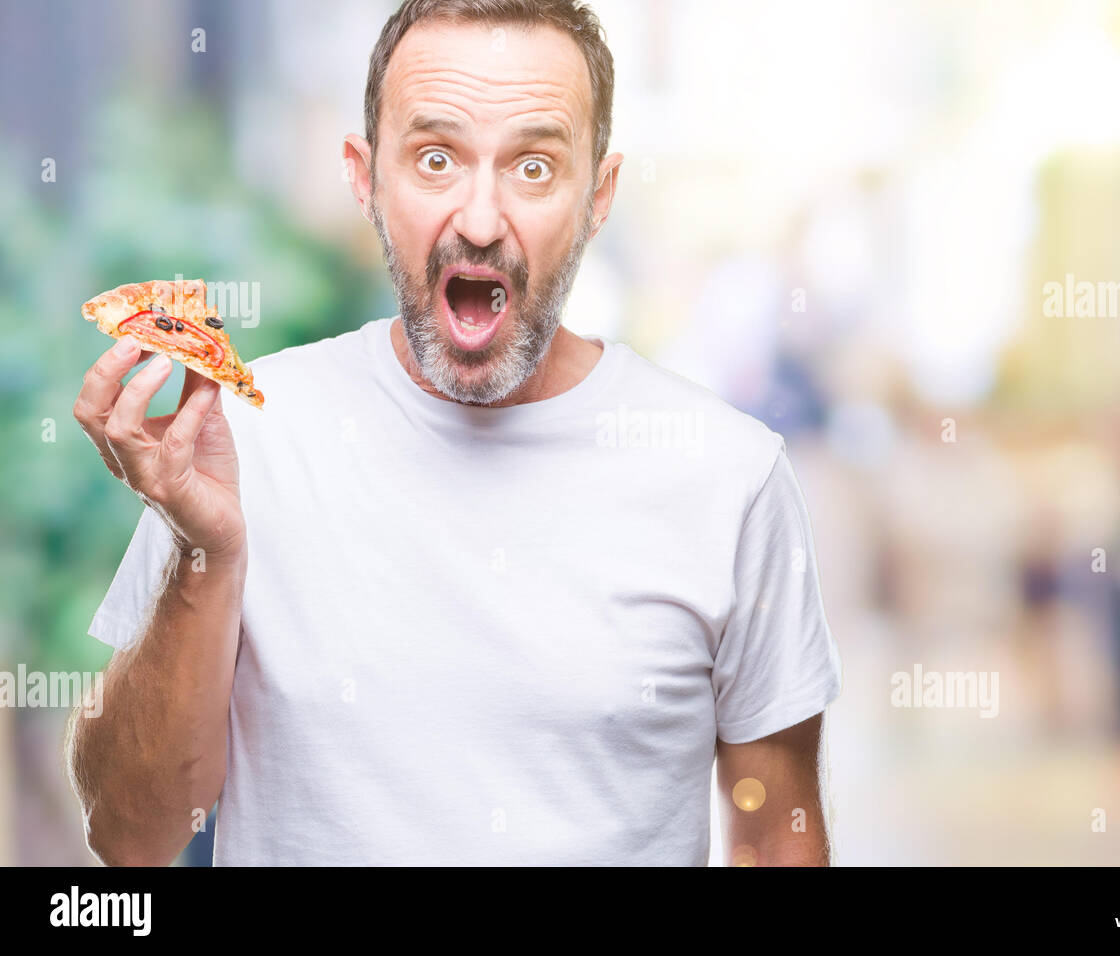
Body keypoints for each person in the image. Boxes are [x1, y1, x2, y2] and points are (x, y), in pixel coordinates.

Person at [66, 0, 843, 866]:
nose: (479, 219)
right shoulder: (240, 441)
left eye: (535, 167)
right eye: (436, 159)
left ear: (600, 195)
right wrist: (202, 554)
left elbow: (778, 844)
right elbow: (129, 836)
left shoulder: (731, 479)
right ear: (366, 177)